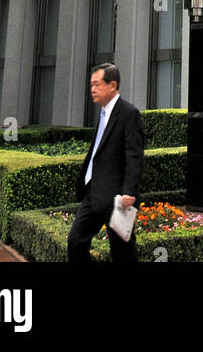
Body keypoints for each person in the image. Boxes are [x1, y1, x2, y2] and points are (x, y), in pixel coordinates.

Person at [67, 63, 145, 264]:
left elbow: (134, 157)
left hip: (118, 198)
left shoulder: (129, 113)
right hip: (94, 194)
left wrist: (129, 192)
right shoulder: (102, 114)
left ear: (112, 85)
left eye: (96, 84)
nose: (92, 89)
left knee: (123, 253)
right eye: (91, 84)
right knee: (75, 242)